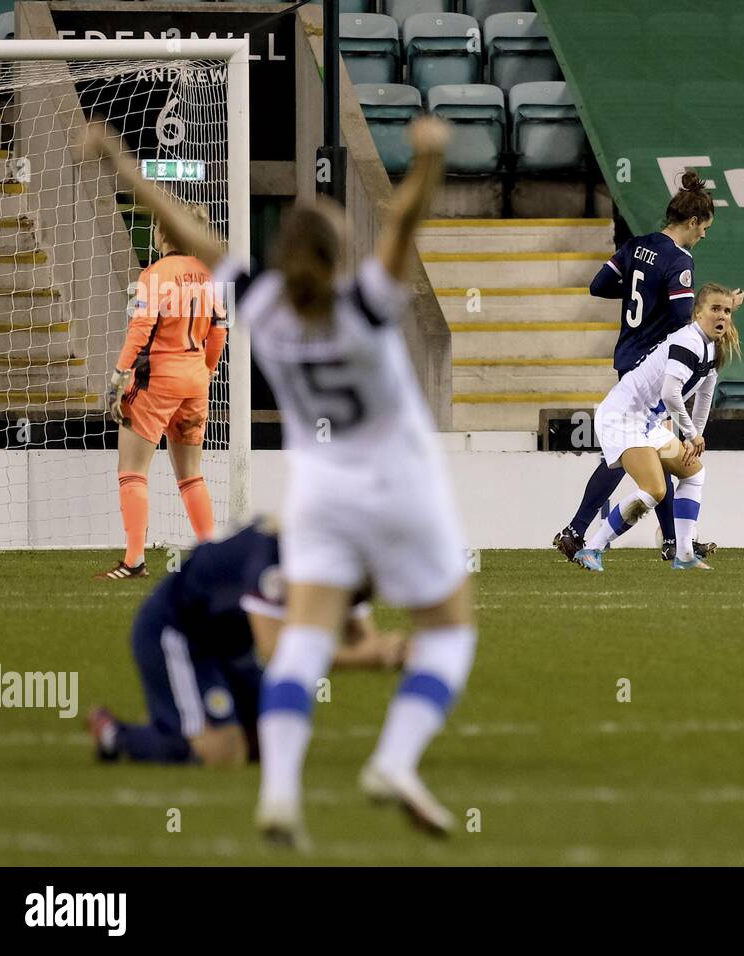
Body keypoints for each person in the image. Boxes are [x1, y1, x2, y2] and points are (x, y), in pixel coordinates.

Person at [84, 115, 475, 848]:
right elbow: (404, 226)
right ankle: (394, 759)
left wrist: (124, 166)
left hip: (320, 497)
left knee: (300, 641)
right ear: (336, 256)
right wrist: (427, 162)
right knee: (448, 633)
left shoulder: (263, 300)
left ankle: (281, 792)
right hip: (401, 486)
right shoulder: (361, 303)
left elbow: (184, 231)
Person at [87, 519, 406, 767]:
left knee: (272, 740)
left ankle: (182, 719)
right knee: (224, 754)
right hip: (178, 634)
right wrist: (370, 658)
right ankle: (117, 734)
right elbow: (277, 651)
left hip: (229, 641)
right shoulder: (272, 556)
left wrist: (402, 653)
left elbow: (364, 637)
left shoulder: (329, 554)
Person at [552, 171, 743, 564]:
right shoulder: (680, 261)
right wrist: (724, 309)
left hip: (626, 353)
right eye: (704, 228)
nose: (703, 235)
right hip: (652, 365)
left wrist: (642, 289)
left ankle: (672, 540)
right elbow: (681, 317)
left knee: (646, 453)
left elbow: (599, 285)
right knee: (631, 453)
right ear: (692, 222)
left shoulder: (636, 246)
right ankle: (581, 531)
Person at [96, 202, 225, 580]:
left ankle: (134, 560)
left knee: (132, 471)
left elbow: (140, 330)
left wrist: (119, 378)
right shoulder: (211, 276)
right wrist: (205, 372)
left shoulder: (154, 274)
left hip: (156, 382)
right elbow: (219, 332)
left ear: (163, 233)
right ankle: (213, 556)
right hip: (195, 382)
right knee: (191, 475)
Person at [573, 283, 740, 571]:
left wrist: (696, 435)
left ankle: (685, 554)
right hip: (622, 417)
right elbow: (670, 394)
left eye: (726, 310)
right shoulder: (688, 341)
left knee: (694, 473)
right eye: (715, 309)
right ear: (698, 314)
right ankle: (591, 549)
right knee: (654, 490)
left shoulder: (711, 348)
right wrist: (689, 433)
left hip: (645, 421)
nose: (722, 316)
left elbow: (705, 396)